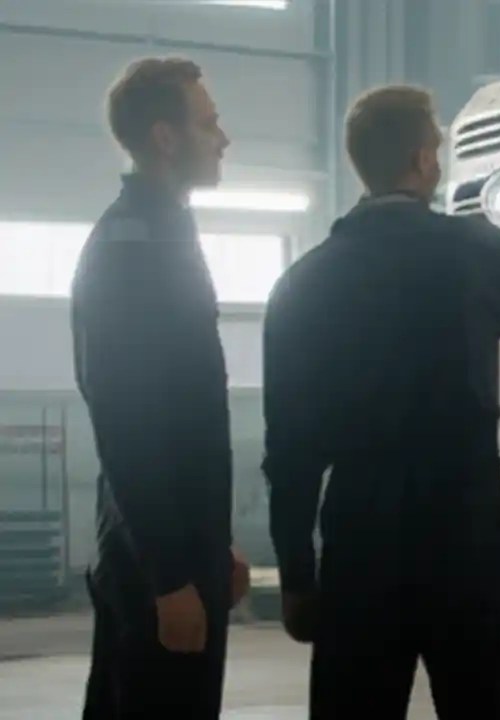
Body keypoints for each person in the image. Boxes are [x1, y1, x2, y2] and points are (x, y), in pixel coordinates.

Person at [260, 84, 500, 719]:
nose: (438, 162)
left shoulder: (302, 284)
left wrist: (299, 576)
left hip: (359, 542)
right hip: (461, 538)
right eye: (435, 149)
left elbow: (289, 454)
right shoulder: (464, 249)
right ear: (418, 159)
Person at [72, 56, 250, 719]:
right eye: (209, 124)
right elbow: (128, 424)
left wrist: (211, 543)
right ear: (164, 137)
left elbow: (184, 416)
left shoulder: (167, 234)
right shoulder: (130, 249)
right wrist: (170, 576)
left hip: (177, 549)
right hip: (154, 567)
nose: (223, 138)